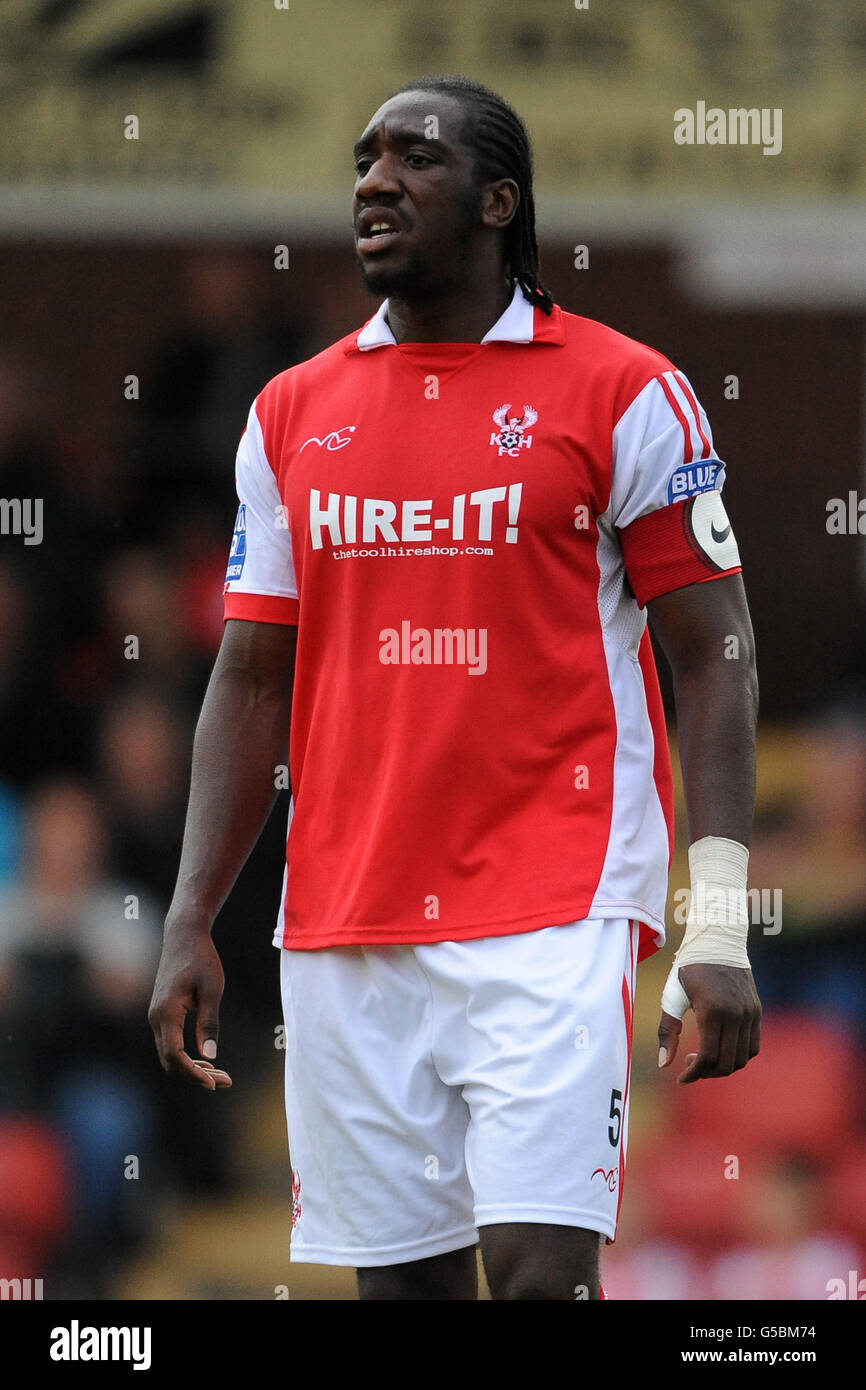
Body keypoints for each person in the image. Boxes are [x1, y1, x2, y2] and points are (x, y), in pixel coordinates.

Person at [149, 75, 762, 1301]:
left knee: (538, 1277)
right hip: (343, 917)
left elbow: (715, 652)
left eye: (412, 158)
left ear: (498, 202)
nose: (372, 180)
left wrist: (717, 918)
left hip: (552, 908)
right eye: (363, 159)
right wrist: (188, 912)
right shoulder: (288, 413)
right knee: (401, 1295)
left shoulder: (625, 389)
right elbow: (250, 673)